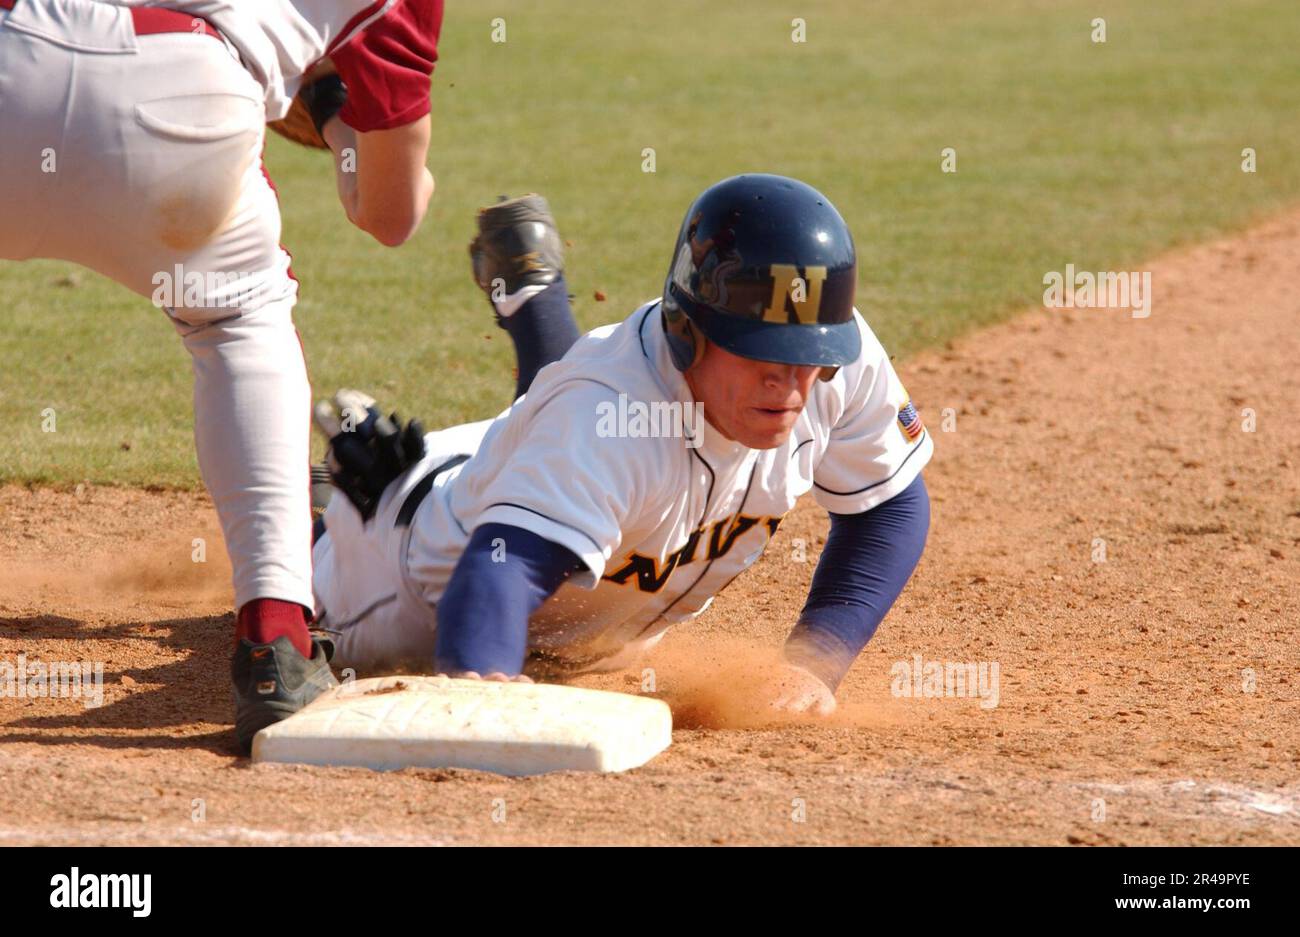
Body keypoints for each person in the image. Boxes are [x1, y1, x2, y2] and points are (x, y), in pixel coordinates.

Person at [309, 175, 933, 717]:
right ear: (688, 333)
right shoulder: (606, 415)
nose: (789, 382)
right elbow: (499, 566)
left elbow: (890, 507)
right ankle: (329, 513)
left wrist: (814, 664)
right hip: (411, 583)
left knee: (572, 448)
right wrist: (484, 692)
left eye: (809, 358)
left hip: (563, 496)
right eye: (763, 353)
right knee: (303, 589)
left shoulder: (834, 356)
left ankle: (536, 301)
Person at [0, 0, 445, 750]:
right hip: (183, 105)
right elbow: (388, 214)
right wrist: (340, 120)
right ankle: (278, 640)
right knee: (240, 318)